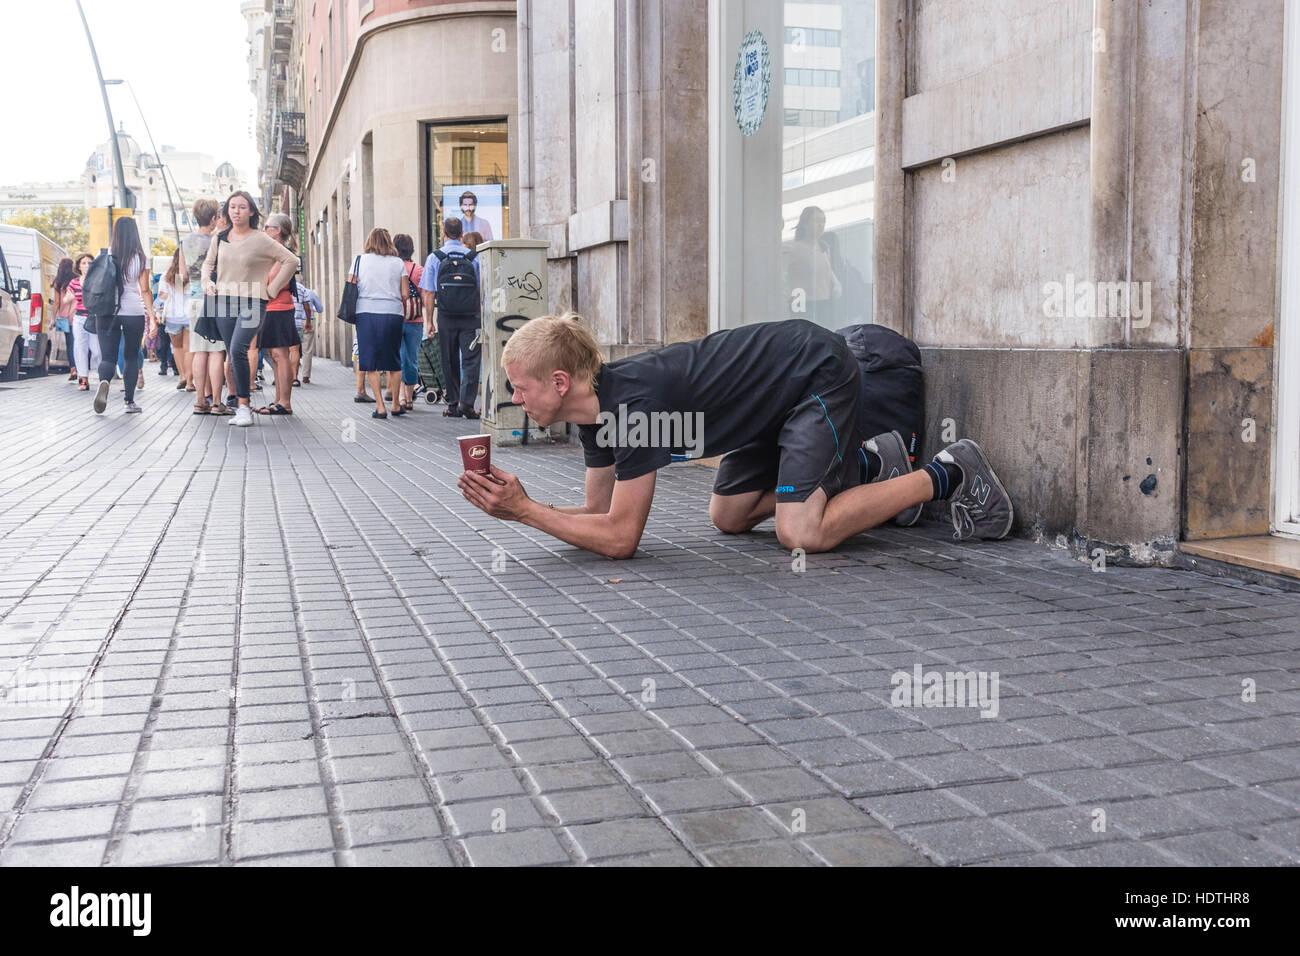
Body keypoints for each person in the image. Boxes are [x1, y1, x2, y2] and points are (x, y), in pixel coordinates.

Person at [457, 315, 1014, 559]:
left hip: (812, 372)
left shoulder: (631, 409)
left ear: (558, 382)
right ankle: (870, 467)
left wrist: (527, 512)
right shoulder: (593, 416)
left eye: (519, 387)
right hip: (765, 408)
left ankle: (951, 472)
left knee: (801, 534)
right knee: (727, 514)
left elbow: (620, 539)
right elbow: (597, 510)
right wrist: (523, 506)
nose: (515, 399)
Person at [202, 190, 299, 427]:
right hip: (223, 301)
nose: (236, 211)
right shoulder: (220, 238)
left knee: (237, 349)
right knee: (232, 353)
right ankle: (241, 404)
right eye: (232, 207)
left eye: (242, 207)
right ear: (227, 212)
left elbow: (291, 261)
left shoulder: (260, 239)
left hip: (253, 302)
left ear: (252, 211)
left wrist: (272, 289)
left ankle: (243, 406)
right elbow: (208, 264)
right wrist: (207, 282)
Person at [93, 217, 157, 415]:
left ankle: (105, 380)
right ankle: (129, 401)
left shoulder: (103, 254)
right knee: (130, 356)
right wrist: (152, 318)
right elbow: (145, 289)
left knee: (108, 356)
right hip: (133, 311)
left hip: (106, 310)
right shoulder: (140, 257)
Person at [419, 217, 482, 419]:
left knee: (449, 359)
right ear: (462, 234)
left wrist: (429, 320)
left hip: (446, 316)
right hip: (471, 316)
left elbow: (428, 292)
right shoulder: (474, 257)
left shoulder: (435, 257)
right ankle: (468, 404)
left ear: (443, 234)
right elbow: (482, 289)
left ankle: (454, 404)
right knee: (471, 359)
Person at [350, 227, 408, 419]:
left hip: (366, 313)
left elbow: (351, 285)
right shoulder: (398, 262)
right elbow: (405, 294)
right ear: (388, 242)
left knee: (370, 360)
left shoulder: (359, 260)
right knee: (394, 360)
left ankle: (380, 407)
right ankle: (396, 405)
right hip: (393, 313)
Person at [256, 212, 300, 415]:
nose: (264, 230)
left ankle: (285, 402)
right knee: (274, 355)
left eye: (267, 227)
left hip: (280, 309)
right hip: (270, 309)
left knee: (280, 355)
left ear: (278, 230)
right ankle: (278, 400)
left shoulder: (284, 255)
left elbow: (274, 284)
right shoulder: (270, 253)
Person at [182, 199, 220, 404]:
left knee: (198, 350)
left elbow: (182, 274)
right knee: (215, 351)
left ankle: (200, 400)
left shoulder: (184, 241)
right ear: (214, 218)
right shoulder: (218, 241)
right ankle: (216, 401)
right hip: (214, 299)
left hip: (194, 299)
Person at [784, 205, 841, 328]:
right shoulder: (794, 248)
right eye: (816, 221)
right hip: (804, 304)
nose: (821, 225)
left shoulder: (824, 247)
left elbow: (828, 269)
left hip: (823, 302)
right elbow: (786, 276)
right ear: (805, 224)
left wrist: (836, 283)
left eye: (823, 221)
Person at [393, 233, 423, 412]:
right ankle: (409, 397)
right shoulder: (418, 269)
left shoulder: (392, 268)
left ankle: (401, 396)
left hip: (395, 317)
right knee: (411, 359)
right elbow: (425, 293)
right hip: (415, 319)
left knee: (397, 357)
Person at [157, 250, 192, 391]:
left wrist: (173, 293)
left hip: (173, 314)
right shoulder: (193, 273)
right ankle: (190, 382)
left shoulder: (167, 274)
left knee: (177, 347)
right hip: (190, 313)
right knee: (189, 349)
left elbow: (161, 295)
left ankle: (182, 376)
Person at [70, 253, 99, 391]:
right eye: (83, 263)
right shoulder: (74, 282)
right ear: (79, 266)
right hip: (79, 318)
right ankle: (84, 379)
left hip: (94, 318)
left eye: (89, 263)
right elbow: (67, 298)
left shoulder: (97, 280)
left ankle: (102, 376)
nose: (87, 265)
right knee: (80, 348)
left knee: (97, 350)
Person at [291, 276, 322, 385]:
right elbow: (319, 309)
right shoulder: (306, 291)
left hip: (289, 322)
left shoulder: (282, 287)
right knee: (306, 350)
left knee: (291, 350)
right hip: (304, 322)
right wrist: (309, 320)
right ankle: (305, 376)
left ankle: (289, 376)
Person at [53, 257, 77, 381]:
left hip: (63, 318)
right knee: (77, 343)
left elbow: (56, 303)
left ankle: (73, 369)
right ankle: (78, 368)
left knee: (69, 344)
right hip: (76, 316)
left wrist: (53, 319)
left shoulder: (58, 282)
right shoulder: (76, 280)